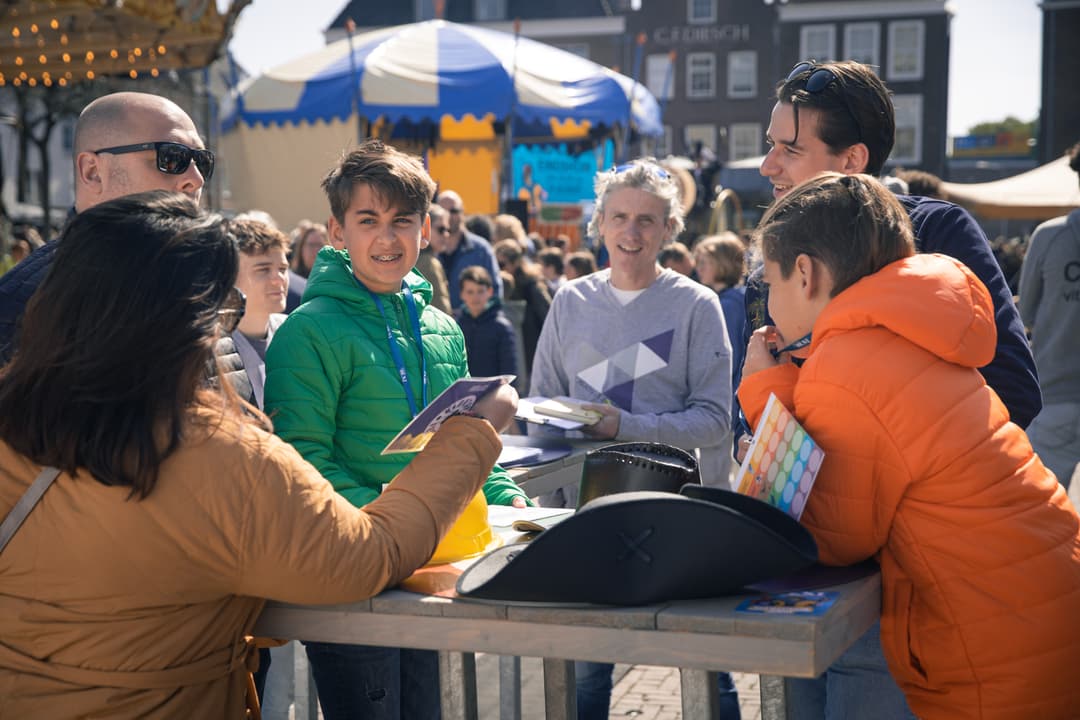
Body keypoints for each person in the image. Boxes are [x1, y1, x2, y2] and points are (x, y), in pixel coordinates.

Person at [0, 191, 516, 719]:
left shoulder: (12, 421)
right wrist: (471, 432)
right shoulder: (225, 458)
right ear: (192, 322)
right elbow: (367, 557)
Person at [741, 62, 1043, 719]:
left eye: (789, 149)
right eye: (769, 143)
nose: (768, 165)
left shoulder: (934, 233)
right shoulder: (775, 250)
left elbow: (1014, 390)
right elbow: (774, 399)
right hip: (805, 575)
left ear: (852, 162)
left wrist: (868, 409)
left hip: (910, 591)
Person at [264, 140, 529, 720]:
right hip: (355, 573)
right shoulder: (305, 333)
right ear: (337, 231)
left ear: (426, 229)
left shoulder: (442, 327)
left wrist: (517, 509)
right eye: (368, 221)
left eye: (402, 221)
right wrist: (386, 529)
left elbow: (466, 446)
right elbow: (302, 465)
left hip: (431, 567)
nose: (387, 239)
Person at [528, 158, 737, 720]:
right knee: (588, 677)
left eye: (647, 219)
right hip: (586, 515)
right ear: (599, 224)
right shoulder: (570, 301)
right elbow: (539, 406)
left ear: (670, 229)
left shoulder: (697, 306)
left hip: (676, 517)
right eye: (619, 216)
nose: (632, 231)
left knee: (706, 671)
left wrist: (627, 427)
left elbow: (715, 420)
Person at [0, 91, 214, 363]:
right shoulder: (22, 307)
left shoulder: (206, 286)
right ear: (92, 171)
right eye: (172, 158)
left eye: (202, 162)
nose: (195, 179)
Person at [1018, 140, 1080, 488]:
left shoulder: (1050, 236)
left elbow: (1024, 313)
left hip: (1055, 395)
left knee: (1042, 515)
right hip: (1056, 399)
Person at [694, 232, 748, 482]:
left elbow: (726, 359)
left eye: (705, 261)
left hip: (721, 401)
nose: (699, 267)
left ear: (722, 264)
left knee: (711, 479)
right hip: (729, 402)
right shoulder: (737, 298)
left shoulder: (726, 305)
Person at [494, 238, 551, 375]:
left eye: (501, 264)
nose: (497, 269)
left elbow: (548, 317)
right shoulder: (496, 286)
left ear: (515, 263)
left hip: (530, 347)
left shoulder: (532, 286)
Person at [437, 189, 503, 307]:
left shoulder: (481, 249)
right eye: (443, 211)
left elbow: (495, 291)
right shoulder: (426, 250)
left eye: (454, 211)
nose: (449, 216)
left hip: (472, 323)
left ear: (463, 212)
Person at [455, 265, 518, 378]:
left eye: (480, 291)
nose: (475, 297)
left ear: (490, 292)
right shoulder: (456, 326)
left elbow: (509, 370)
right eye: (470, 292)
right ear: (462, 294)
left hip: (493, 392)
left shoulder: (501, 327)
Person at [416, 204, 453, 314]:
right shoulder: (429, 263)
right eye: (441, 229)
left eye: (448, 230)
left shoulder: (409, 259)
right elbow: (441, 306)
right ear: (425, 228)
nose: (446, 235)